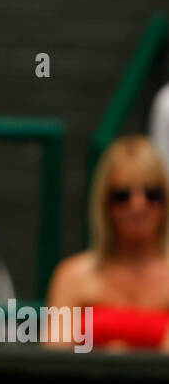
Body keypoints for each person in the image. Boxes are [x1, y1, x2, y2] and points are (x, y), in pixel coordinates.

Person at [44, 136, 169, 350]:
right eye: (123, 196)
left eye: (151, 194)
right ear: (105, 204)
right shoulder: (72, 276)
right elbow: (55, 355)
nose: (138, 206)